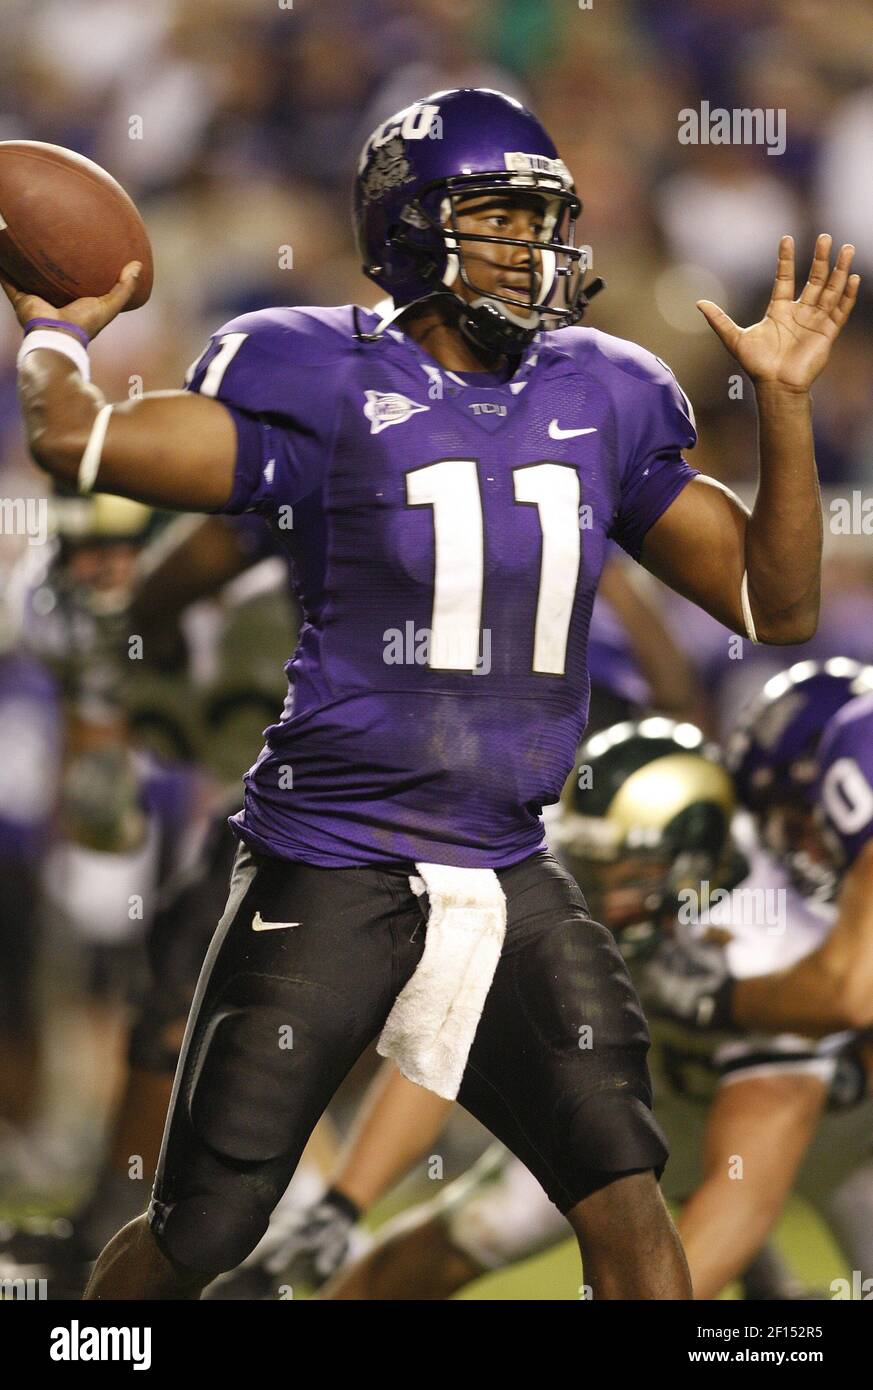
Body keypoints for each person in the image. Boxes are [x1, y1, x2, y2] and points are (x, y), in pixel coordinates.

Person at [2, 87, 858, 1300]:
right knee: (203, 1228)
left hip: (511, 863)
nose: (535, 247)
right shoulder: (317, 374)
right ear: (415, 229)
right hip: (331, 856)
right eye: (502, 217)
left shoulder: (604, 392)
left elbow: (778, 606)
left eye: (543, 218)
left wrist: (781, 404)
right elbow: (81, 445)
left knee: (626, 1201)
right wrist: (54, 330)